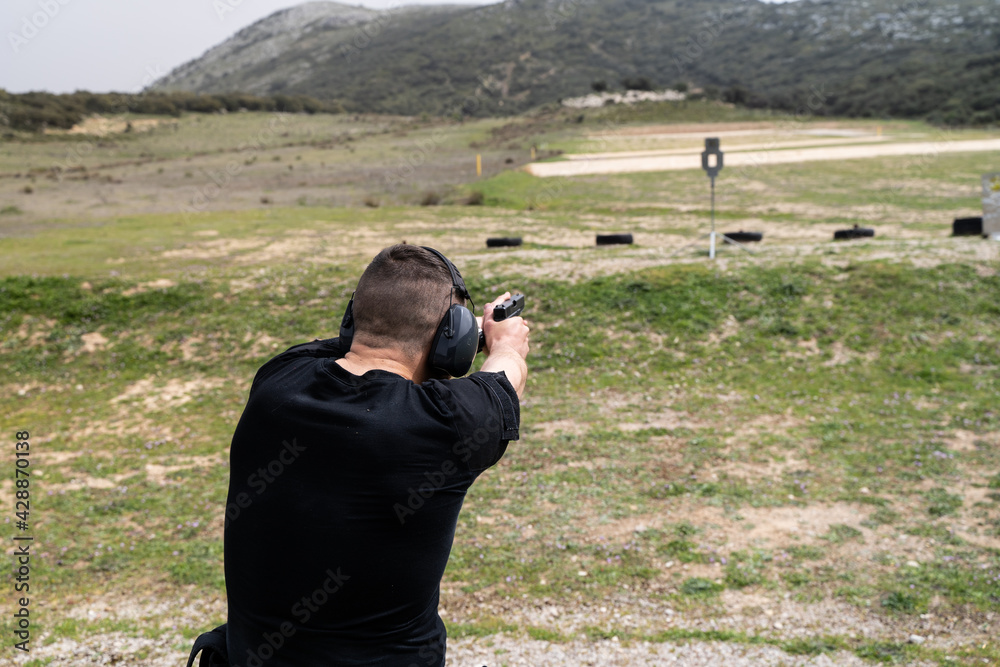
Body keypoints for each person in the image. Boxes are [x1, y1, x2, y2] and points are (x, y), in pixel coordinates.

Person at [222, 244, 529, 667]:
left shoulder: (277, 378)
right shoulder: (444, 423)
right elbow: (505, 376)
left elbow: (358, 343)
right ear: (449, 338)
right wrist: (504, 342)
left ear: (353, 318)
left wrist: (434, 328)